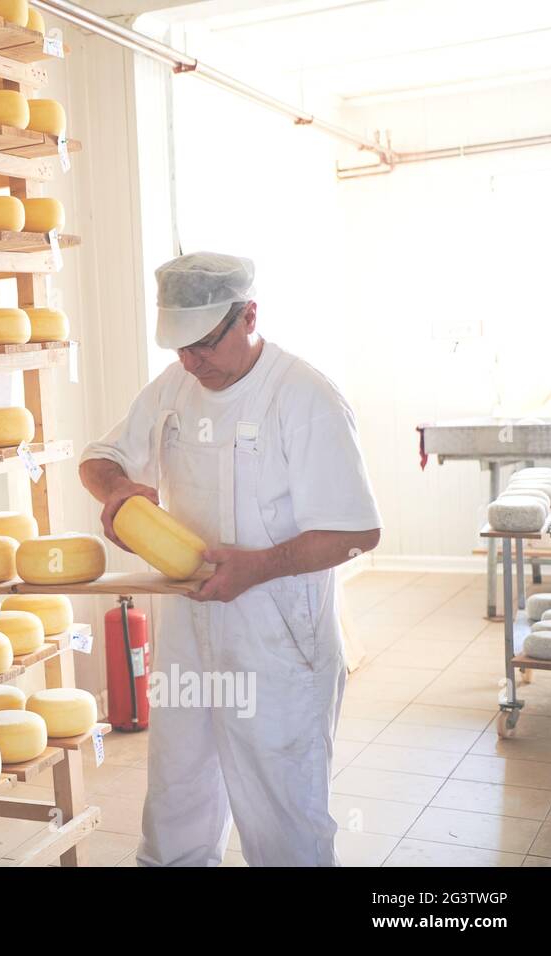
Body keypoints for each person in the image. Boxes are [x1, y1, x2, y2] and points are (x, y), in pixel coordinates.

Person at [79, 251, 381, 866]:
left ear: (248, 316)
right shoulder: (175, 385)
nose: (191, 363)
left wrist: (259, 565)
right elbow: (99, 456)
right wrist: (118, 491)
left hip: (276, 635)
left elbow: (358, 533)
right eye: (178, 349)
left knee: (281, 815)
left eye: (203, 346)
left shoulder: (304, 396)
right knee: (177, 797)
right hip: (190, 630)